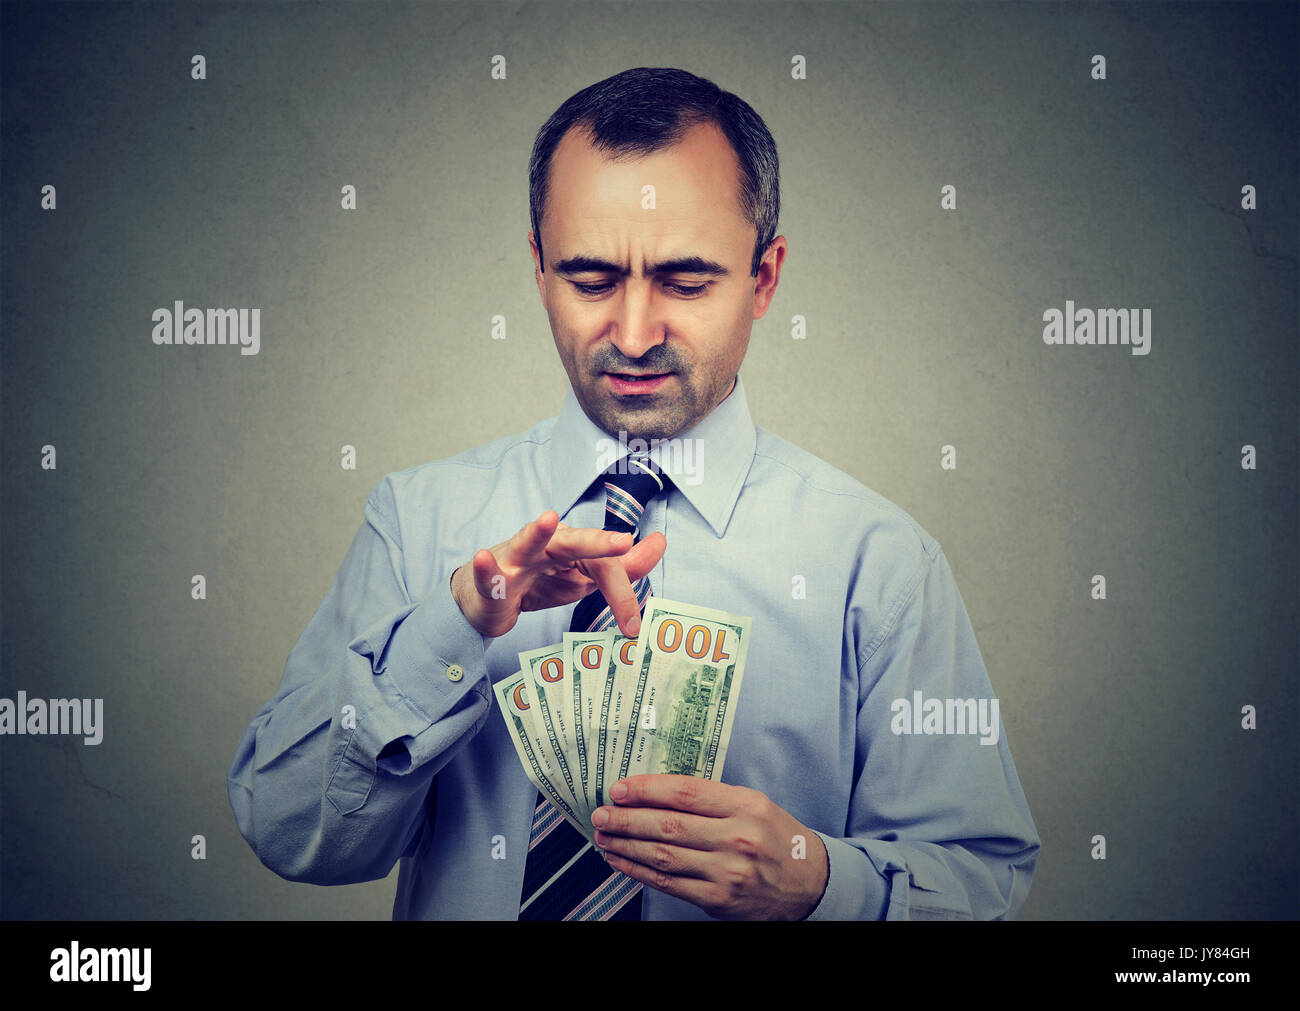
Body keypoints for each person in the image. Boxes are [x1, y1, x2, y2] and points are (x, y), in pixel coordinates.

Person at [227, 66, 1040, 920]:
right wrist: (451, 624)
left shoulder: (880, 566)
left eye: (687, 282)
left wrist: (816, 879)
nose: (635, 333)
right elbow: (287, 832)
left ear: (765, 278)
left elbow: (980, 884)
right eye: (591, 280)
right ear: (539, 269)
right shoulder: (418, 520)